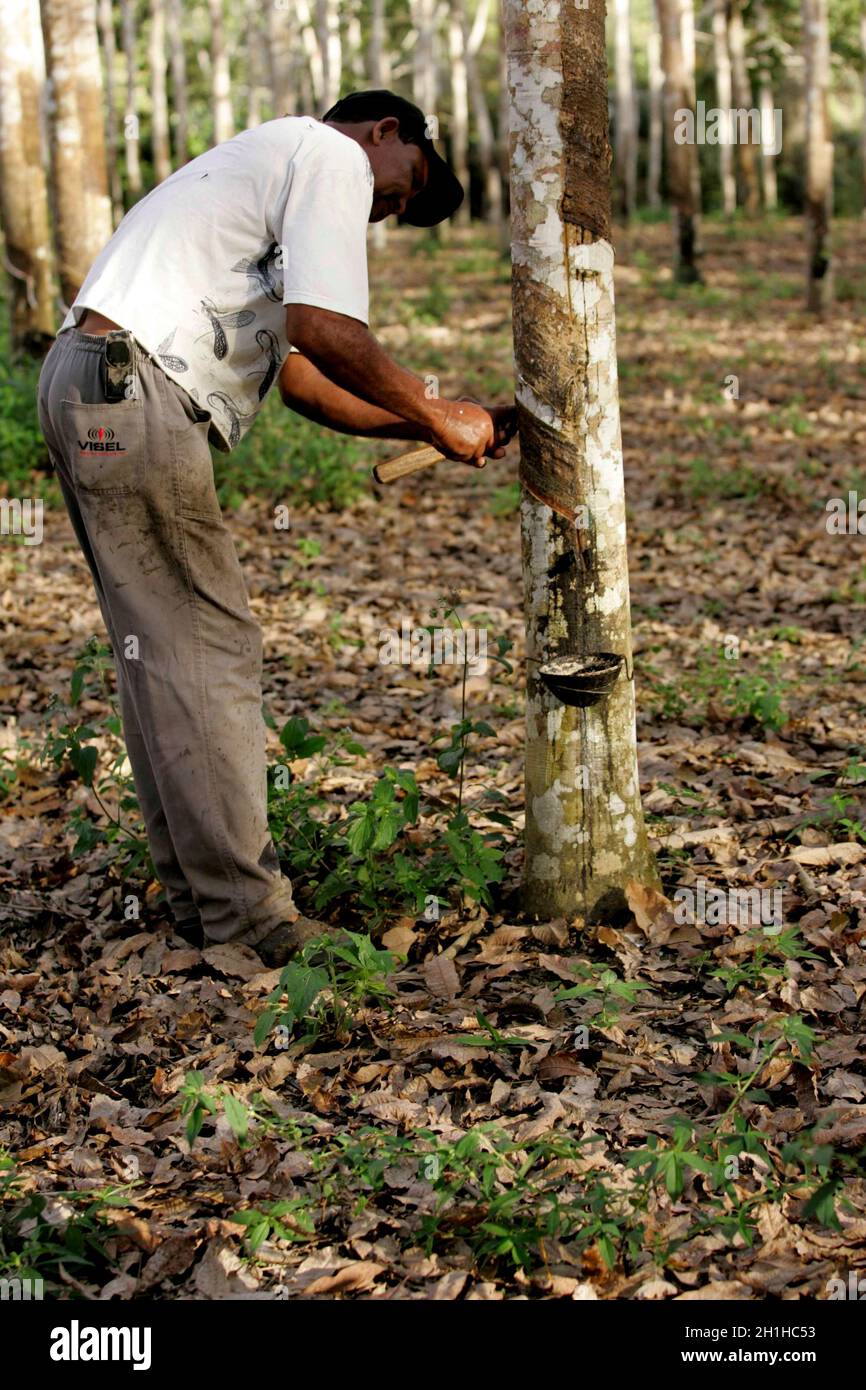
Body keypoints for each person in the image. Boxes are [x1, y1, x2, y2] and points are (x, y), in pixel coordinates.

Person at [37, 89, 517, 967]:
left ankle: (200, 900)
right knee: (206, 644)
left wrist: (428, 421)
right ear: (385, 133)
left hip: (87, 383)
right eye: (404, 188)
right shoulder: (327, 156)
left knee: (161, 649)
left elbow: (299, 376)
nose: (389, 209)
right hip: (131, 389)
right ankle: (250, 921)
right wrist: (433, 405)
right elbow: (325, 330)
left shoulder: (263, 171)